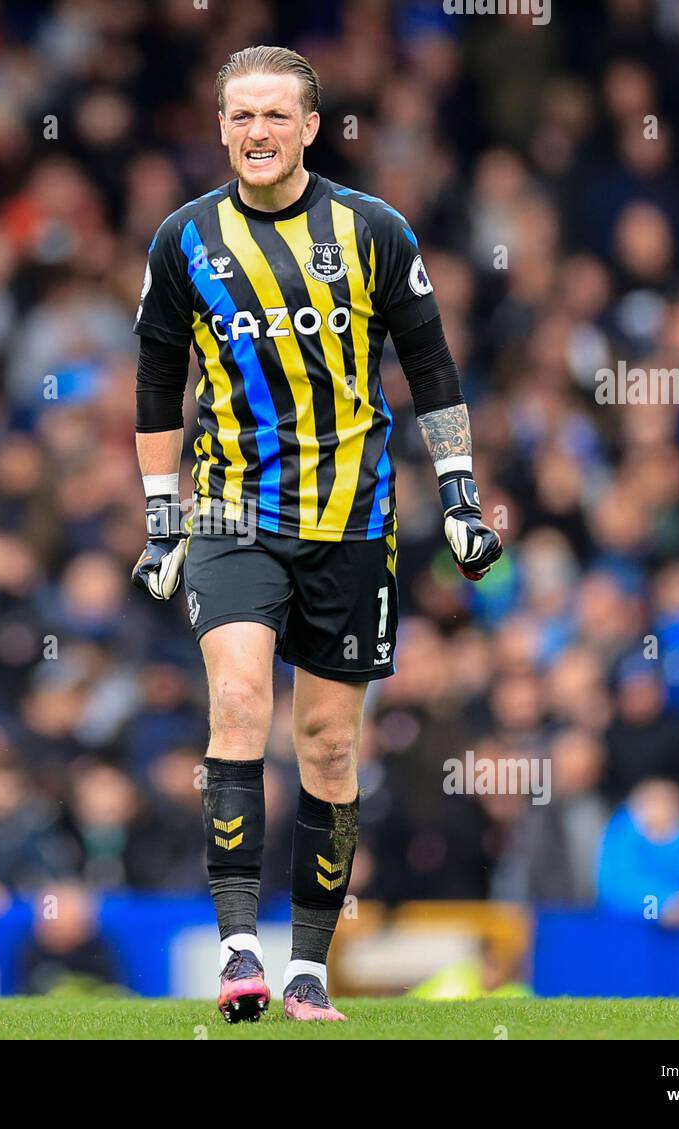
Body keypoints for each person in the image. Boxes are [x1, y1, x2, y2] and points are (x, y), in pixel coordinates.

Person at [129, 45, 501, 1022]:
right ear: (220, 128)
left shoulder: (372, 229)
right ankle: (239, 949)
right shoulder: (184, 240)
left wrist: (459, 494)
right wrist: (161, 516)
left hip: (352, 523)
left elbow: (430, 367)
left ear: (309, 127)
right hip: (229, 514)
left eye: (273, 116)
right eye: (238, 116)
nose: (255, 132)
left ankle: (308, 966)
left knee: (330, 745)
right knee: (240, 696)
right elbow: (156, 380)